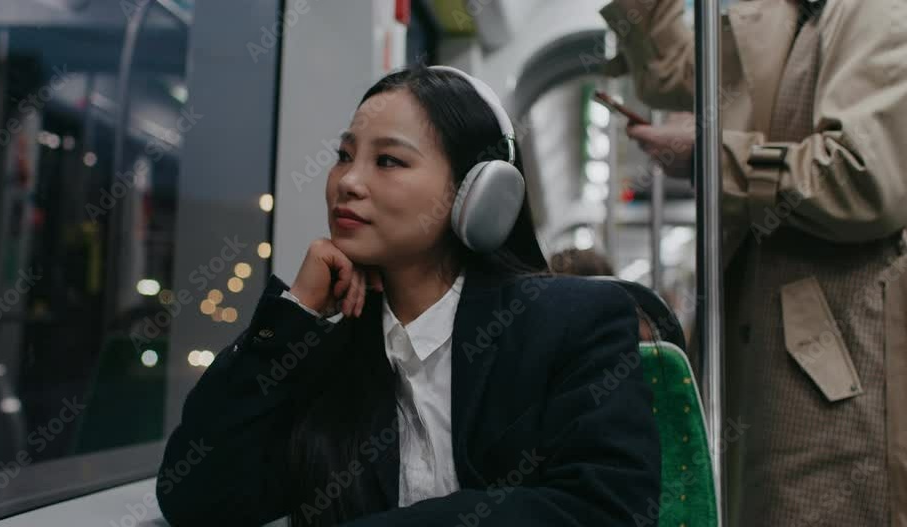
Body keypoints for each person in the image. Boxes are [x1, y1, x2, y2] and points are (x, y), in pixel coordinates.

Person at [155, 65, 660, 526]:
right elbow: (196, 499)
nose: (348, 182)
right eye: (344, 156)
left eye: (388, 161)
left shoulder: (571, 324)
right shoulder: (326, 353)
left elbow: (606, 508)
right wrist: (293, 315)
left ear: (478, 191)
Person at [600, 0, 907, 525]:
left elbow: (862, 177)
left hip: (839, 370)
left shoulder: (874, 11)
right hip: (775, 360)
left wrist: (711, 156)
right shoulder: (789, 16)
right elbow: (672, 72)